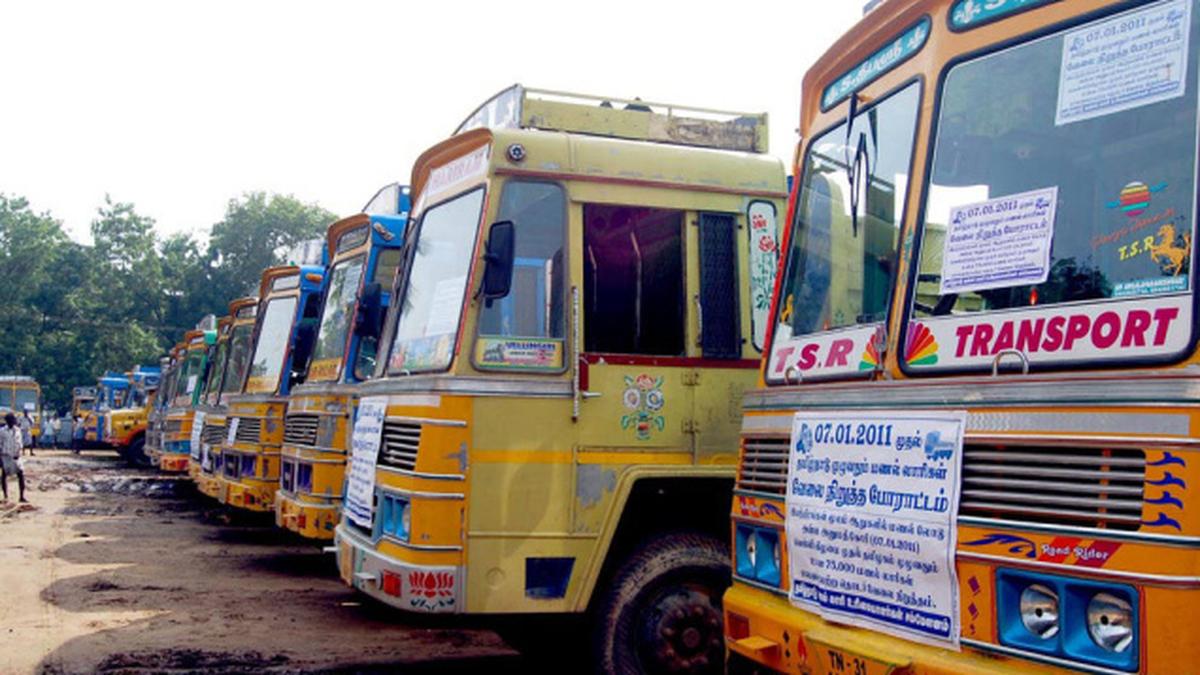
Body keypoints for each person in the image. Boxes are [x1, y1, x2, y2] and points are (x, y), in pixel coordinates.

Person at [1, 413, 27, 503]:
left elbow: (20, 442)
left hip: (16, 456)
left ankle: (22, 496)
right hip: (6, 456)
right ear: (8, 421)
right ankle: (5, 495)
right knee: (4, 475)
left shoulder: (17, 430)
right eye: (12, 420)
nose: (13, 422)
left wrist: (19, 452)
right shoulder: (2, 431)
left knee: (21, 474)